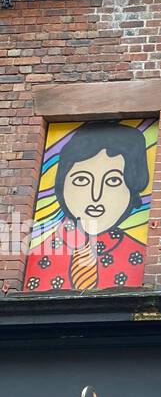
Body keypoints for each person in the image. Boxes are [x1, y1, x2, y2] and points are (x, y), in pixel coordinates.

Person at [23, 121, 150, 292]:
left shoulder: (138, 255)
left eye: (113, 181)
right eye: (82, 180)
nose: (95, 196)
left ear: (133, 187)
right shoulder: (39, 256)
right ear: (62, 184)